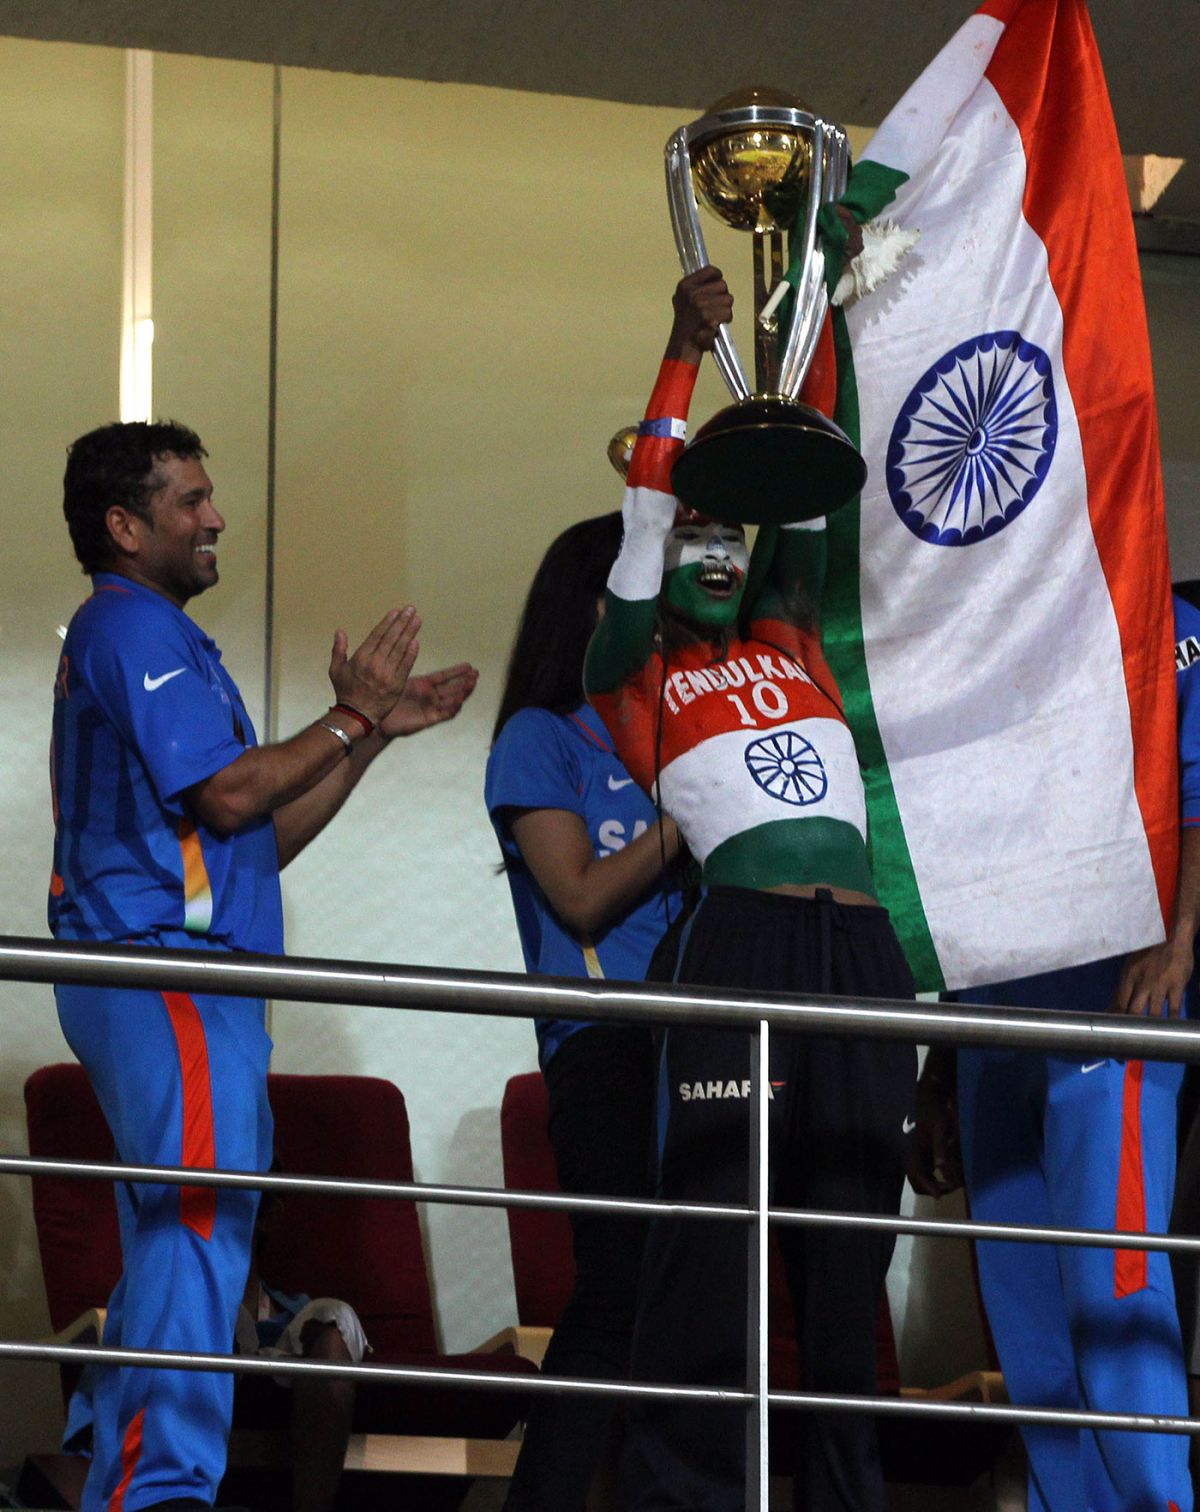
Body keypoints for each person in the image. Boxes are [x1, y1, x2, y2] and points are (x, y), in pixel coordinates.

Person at [50, 420, 477, 1512]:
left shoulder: (169, 642)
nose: (216, 516)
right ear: (124, 525)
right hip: (163, 973)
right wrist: (347, 715)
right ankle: (155, 1494)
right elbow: (235, 795)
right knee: (198, 1222)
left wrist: (369, 736)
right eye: (190, 499)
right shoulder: (129, 625)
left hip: (204, 982)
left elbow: (255, 841)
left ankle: (124, 1473)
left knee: (193, 1229)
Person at [584, 267, 917, 1512]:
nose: (717, 550)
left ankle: (842, 1495)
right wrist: (682, 349)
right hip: (745, 951)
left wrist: (811, 308)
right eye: (697, 537)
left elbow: (812, 486)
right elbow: (645, 512)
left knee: (849, 1254)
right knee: (718, 1242)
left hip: (863, 962)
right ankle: (685, 1493)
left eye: (732, 535)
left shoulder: (792, 638)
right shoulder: (634, 678)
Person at [909, 581, 1200, 1512]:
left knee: (1115, 1299)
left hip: (1111, 1011)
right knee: (1027, 1322)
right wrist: (942, 1061)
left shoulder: (1171, 624)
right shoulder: (981, 619)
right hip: (992, 1020)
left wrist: (1178, 937)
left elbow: (1196, 788)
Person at [485, 511, 684, 1512]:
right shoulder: (543, 736)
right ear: (597, 604)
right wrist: (691, 815)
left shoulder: (681, 729)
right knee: (614, 1291)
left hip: (700, 1045)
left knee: (689, 1305)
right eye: (648, 584)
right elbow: (579, 897)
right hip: (604, 1044)